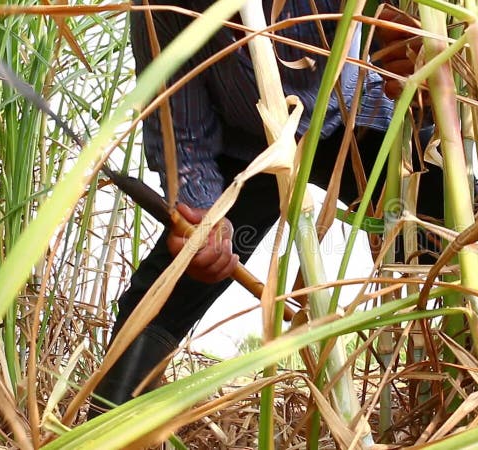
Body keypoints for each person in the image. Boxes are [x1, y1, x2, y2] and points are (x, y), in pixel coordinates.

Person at [89, 0, 443, 417]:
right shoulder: (162, 7)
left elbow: (409, 41)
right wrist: (206, 218)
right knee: (169, 286)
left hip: (356, 115)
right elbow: (184, 138)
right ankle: (107, 427)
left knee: (450, 218)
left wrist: (425, 67)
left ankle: (467, 393)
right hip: (250, 150)